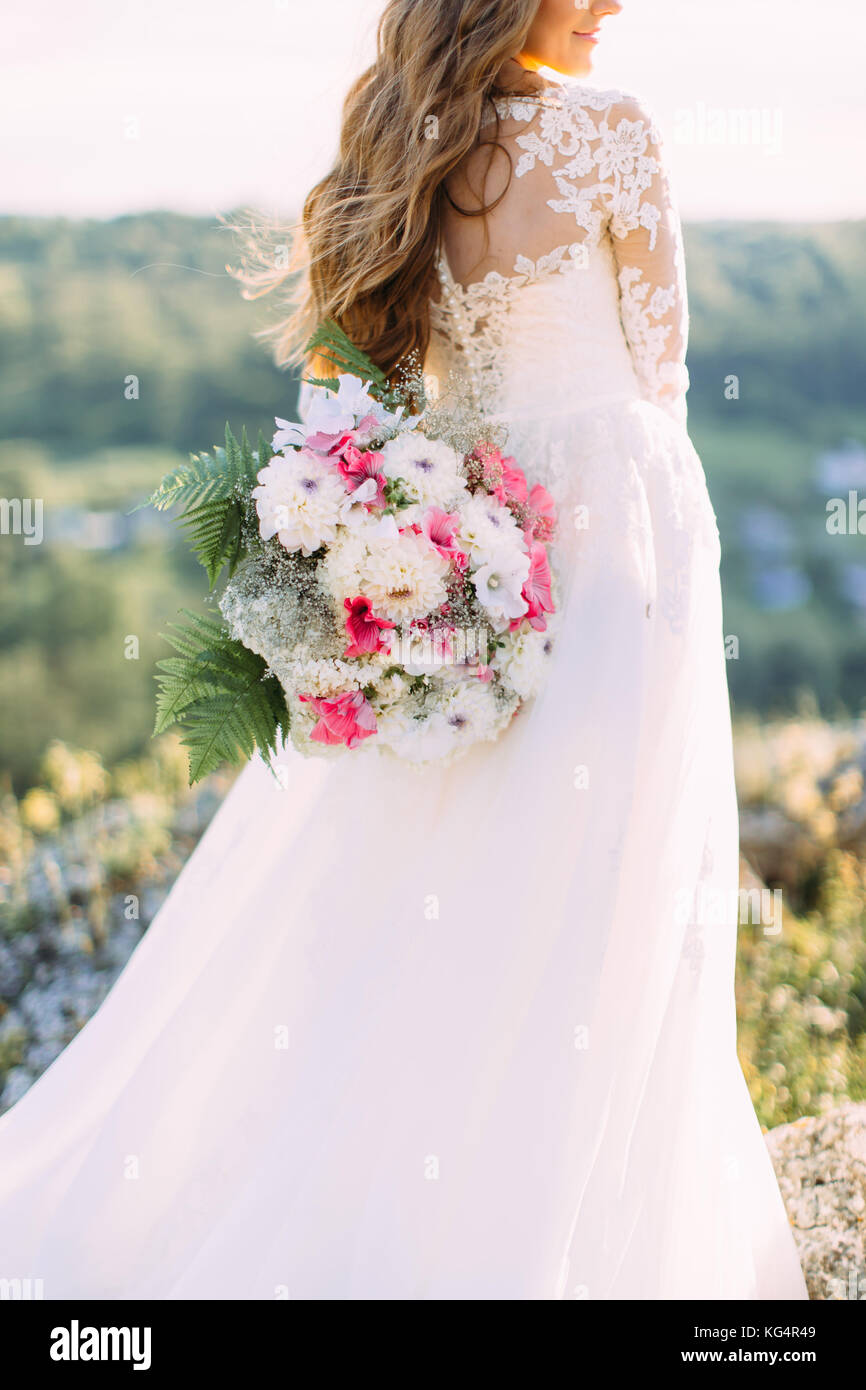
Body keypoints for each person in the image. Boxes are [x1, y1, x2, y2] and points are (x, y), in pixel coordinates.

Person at [0, 0, 808, 1299]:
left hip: (466, 549)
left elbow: (371, 390)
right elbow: (659, 366)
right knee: (606, 896)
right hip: (613, 547)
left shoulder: (394, 140)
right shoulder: (611, 132)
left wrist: (417, 533)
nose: (614, 6)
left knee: (437, 869)